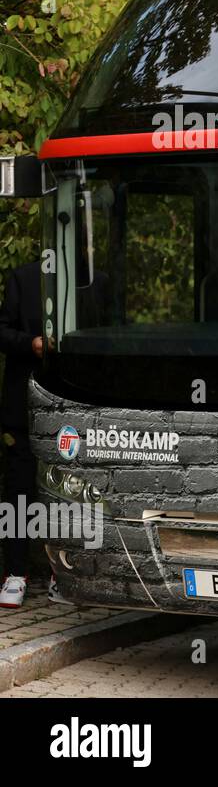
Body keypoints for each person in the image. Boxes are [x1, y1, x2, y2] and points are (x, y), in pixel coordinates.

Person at [0, 259, 55, 607]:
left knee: (69, 495)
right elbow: (1, 332)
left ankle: (65, 574)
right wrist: (31, 343)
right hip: (22, 408)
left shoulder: (97, 280)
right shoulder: (22, 277)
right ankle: (16, 573)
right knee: (19, 490)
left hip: (74, 407)